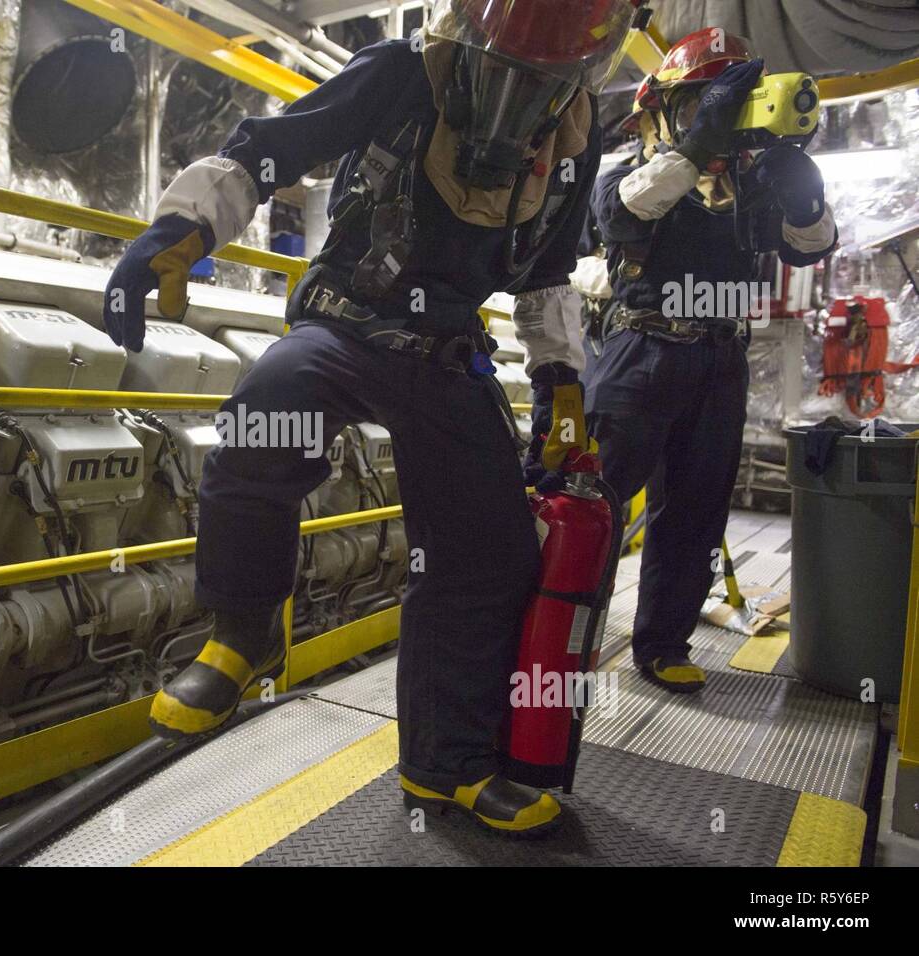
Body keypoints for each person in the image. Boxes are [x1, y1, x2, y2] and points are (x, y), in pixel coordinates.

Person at [103, 0, 641, 835]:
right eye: (507, 70)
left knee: (489, 551)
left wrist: (561, 387)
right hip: (347, 323)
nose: (519, 95)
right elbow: (269, 153)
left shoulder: (573, 138)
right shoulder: (399, 73)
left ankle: (448, 765)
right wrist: (181, 231)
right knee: (264, 416)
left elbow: (546, 276)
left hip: (445, 352)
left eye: (542, 80)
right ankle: (245, 634)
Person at [589, 28, 837, 693]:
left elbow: (810, 245)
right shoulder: (629, 176)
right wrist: (698, 143)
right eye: (701, 103)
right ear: (662, 111)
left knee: (696, 513)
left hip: (720, 360)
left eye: (725, 105)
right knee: (593, 506)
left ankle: (663, 644)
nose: (720, 119)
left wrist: (804, 194)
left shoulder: (749, 194)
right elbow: (624, 215)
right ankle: (560, 634)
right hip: (640, 353)